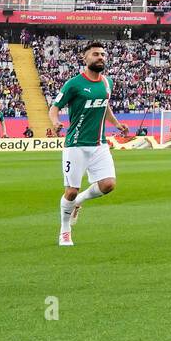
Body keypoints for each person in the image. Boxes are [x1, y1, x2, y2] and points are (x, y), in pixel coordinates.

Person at [49, 42, 120, 246]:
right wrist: (55, 121)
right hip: (76, 145)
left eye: (103, 54)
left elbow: (105, 106)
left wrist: (116, 124)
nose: (101, 57)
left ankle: (78, 202)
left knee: (108, 185)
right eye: (96, 54)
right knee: (70, 191)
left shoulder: (108, 83)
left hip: (99, 144)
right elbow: (55, 107)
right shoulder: (74, 84)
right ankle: (65, 230)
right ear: (85, 58)